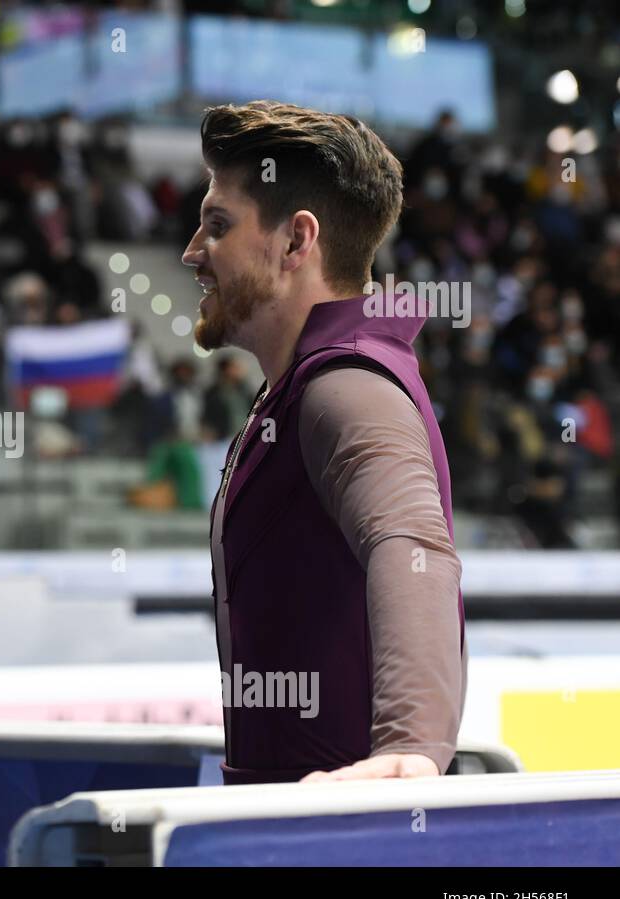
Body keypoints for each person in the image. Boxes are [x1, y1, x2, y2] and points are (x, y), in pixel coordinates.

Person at [180, 101, 465, 784]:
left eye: (217, 225)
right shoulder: (302, 386)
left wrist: (410, 747)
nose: (193, 251)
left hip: (342, 839)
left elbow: (412, 543)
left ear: (295, 241)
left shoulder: (344, 387)